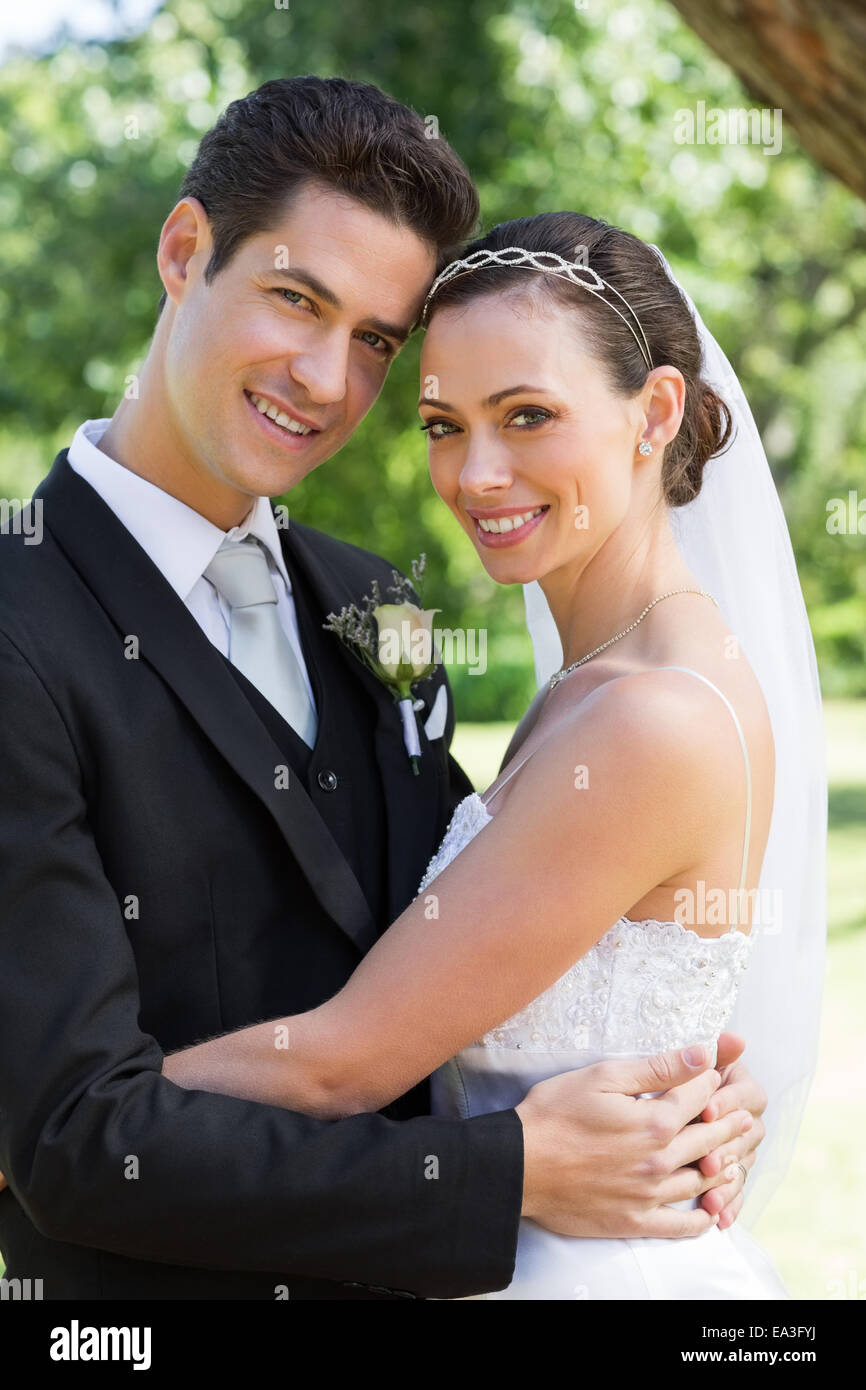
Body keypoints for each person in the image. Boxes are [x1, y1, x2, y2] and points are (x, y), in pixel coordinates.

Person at [0, 78, 766, 1302]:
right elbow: (71, 1138)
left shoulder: (374, 605)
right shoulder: (17, 622)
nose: (322, 377)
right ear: (185, 251)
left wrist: (672, 1089)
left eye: (371, 340)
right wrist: (501, 1169)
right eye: (295, 299)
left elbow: (467, 939)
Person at [159, 211, 826, 1297]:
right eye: (440, 423)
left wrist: (56, 1121)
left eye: (526, 416)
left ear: (653, 410)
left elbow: (346, 1059)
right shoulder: (594, 680)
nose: (475, 474)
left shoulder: (648, 716)